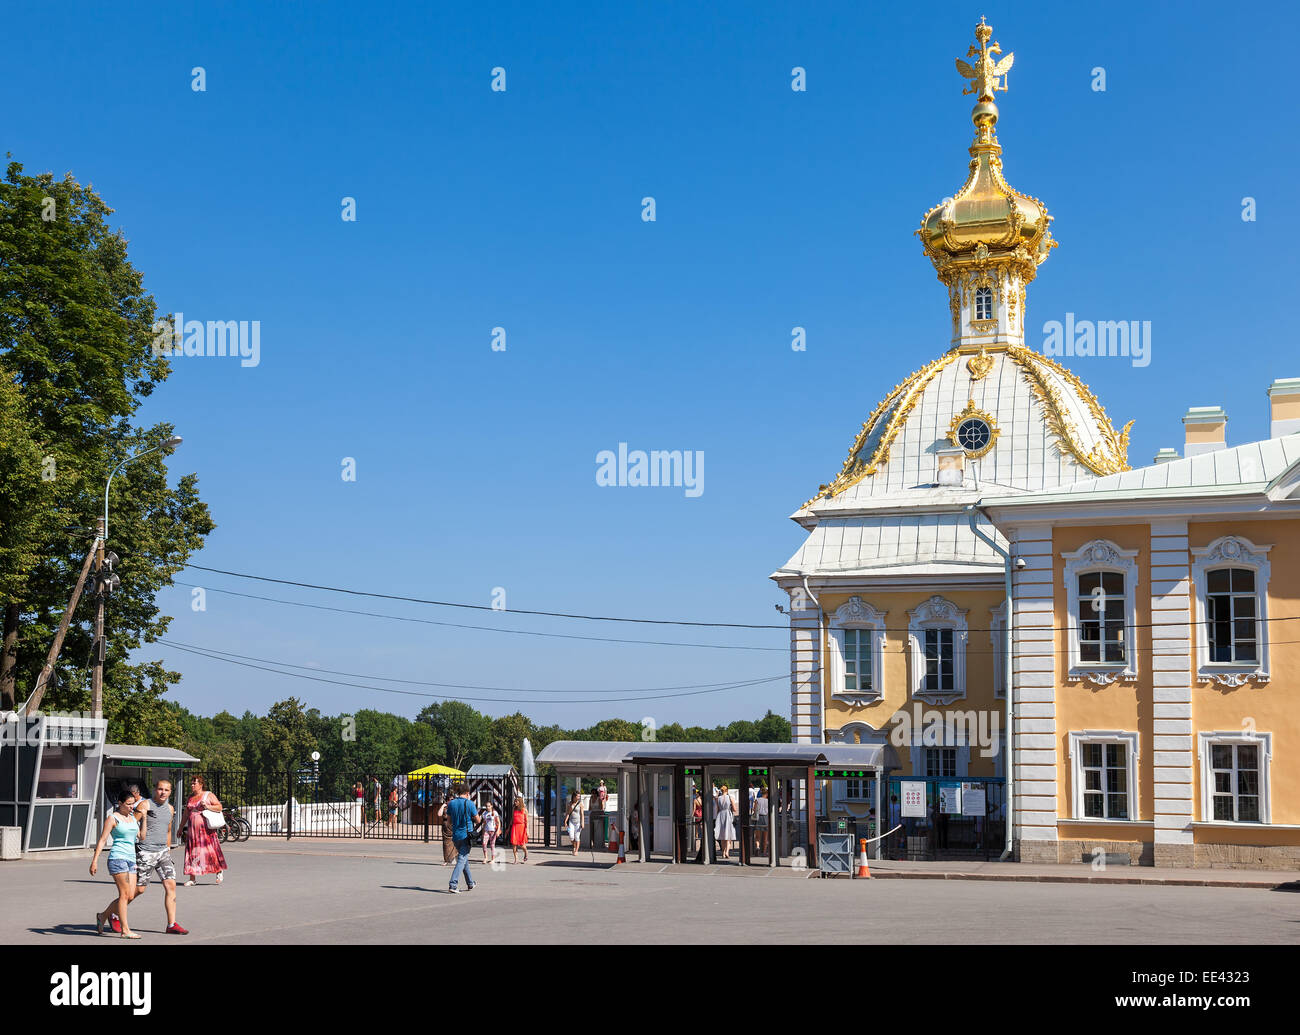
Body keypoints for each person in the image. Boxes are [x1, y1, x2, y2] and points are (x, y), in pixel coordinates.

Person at [125, 779, 189, 935]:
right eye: (160, 789)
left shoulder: (170, 808)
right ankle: (110, 914)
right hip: (145, 852)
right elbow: (130, 824)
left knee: (171, 886)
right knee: (139, 890)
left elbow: (168, 831)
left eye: (166, 790)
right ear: (155, 789)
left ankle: (171, 924)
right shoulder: (145, 805)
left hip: (163, 853)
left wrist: (167, 850)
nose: (163, 792)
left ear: (170, 792)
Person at [90, 788, 143, 938]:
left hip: (131, 859)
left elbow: (141, 837)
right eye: (128, 804)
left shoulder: (133, 818)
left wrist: (143, 819)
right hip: (117, 858)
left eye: (133, 804)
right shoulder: (113, 818)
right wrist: (94, 861)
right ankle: (125, 930)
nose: (131, 807)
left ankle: (103, 915)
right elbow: (102, 840)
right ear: (120, 803)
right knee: (124, 894)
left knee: (131, 895)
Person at [183, 775, 227, 885]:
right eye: (191, 783)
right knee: (192, 852)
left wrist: (207, 806)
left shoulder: (208, 795)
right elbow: (186, 814)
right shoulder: (190, 797)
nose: (192, 785)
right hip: (192, 830)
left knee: (209, 852)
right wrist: (180, 828)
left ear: (201, 785)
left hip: (205, 831)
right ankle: (192, 878)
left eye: (195, 783)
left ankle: (218, 870)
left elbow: (219, 807)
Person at [445, 783, 479, 893]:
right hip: (466, 835)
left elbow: (449, 821)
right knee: (461, 860)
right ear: (467, 793)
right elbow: (478, 820)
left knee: (464, 860)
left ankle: (470, 883)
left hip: (456, 836)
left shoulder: (451, 803)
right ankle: (453, 884)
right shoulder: (469, 804)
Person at [714, 784, 736, 861]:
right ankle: (727, 852)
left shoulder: (718, 798)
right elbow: (734, 809)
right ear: (727, 790)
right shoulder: (730, 797)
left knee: (722, 835)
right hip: (728, 815)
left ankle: (723, 853)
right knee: (729, 835)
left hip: (720, 815)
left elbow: (717, 809)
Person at [438, 793, 458, 865]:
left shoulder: (455, 807)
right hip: (446, 828)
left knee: (455, 843)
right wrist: (443, 805)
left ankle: (455, 858)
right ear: (447, 801)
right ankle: (446, 860)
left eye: (453, 799)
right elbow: (439, 814)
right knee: (446, 844)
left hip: (453, 826)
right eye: (450, 800)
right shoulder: (444, 807)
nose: (452, 801)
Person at [564, 790, 584, 856]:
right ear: (574, 796)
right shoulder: (570, 803)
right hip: (571, 822)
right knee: (571, 837)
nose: (579, 797)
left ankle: (576, 850)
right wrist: (565, 821)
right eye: (578, 796)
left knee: (577, 837)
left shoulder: (580, 803)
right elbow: (568, 813)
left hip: (578, 822)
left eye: (579, 796)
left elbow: (582, 814)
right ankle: (574, 846)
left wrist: (582, 823)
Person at [510, 796, 529, 863]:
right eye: (515, 801)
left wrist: (527, 831)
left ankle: (526, 852)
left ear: (520, 802)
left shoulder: (524, 810)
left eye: (516, 801)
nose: (515, 802)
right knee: (514, 844)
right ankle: (516, 859)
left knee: (522, 845)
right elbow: (512, 819)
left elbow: (527, 821)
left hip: (522, 827)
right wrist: (509, 827)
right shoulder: (514, 809)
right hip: (515, 827)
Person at [754, 786, 770, 856]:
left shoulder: (757, 800)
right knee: (765, 837)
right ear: (767, 793)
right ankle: (764, 852)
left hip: (759, 817)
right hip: (766, 818)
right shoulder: (768, 801)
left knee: (757, 836)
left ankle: (757, 847)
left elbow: (754, 809)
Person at [588, 787, 604, 852]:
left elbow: (601, 808)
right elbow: (589, 808)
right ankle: (592, 843)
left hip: (598, 816)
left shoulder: (599, 799)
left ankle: (599, 843)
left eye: (594, 793)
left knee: (597, 830)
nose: (593, 794)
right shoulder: (590, 799)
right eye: (592, 793)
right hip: (592, 816)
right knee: (591, 830)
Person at [691, 789, 705, 862]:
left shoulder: (695, 800)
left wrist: (692, 815)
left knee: (696, 827)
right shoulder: (703, 800)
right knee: (702, 826)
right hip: (702, 813)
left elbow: (694, 808)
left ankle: (696, 835)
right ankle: (702, 834)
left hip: (697, 813)